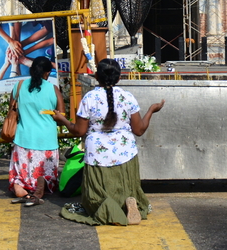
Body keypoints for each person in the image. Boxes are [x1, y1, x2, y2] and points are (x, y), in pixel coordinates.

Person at [55, 58, 165, 226]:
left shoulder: (89, 97)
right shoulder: (127, 97)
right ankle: (128, 203)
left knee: (95, 201)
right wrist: (151, 110)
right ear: (119, 78)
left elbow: (79, 131)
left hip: (97, 155)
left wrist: (62, 119)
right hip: (125, 152)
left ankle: (108, 208)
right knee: (126, 186)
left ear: (96, 76)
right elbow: (139, 130)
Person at [9, 56, 65, 207]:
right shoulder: (52, 89)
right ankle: (41, 185)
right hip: (46, 140)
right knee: (45, 173)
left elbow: (12, 111)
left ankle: (22, 190)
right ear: (47, 73)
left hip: (24, 139)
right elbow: (61, 115)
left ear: (31, 69)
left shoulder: (19, 86)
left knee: (20, 177)